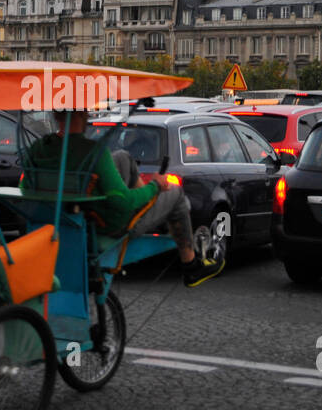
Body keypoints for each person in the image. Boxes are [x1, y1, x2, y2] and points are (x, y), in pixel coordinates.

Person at [23, 111, 224, 287]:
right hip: (102, 223)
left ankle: (149, 205)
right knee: (176, 193)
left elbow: (25, 189)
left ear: (56, 115)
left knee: (122, 157)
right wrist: (155, 187)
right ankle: (191, 266)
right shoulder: (93, 152)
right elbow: (123, 202)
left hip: (57, 220)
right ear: (83, 114)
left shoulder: (38, 148)